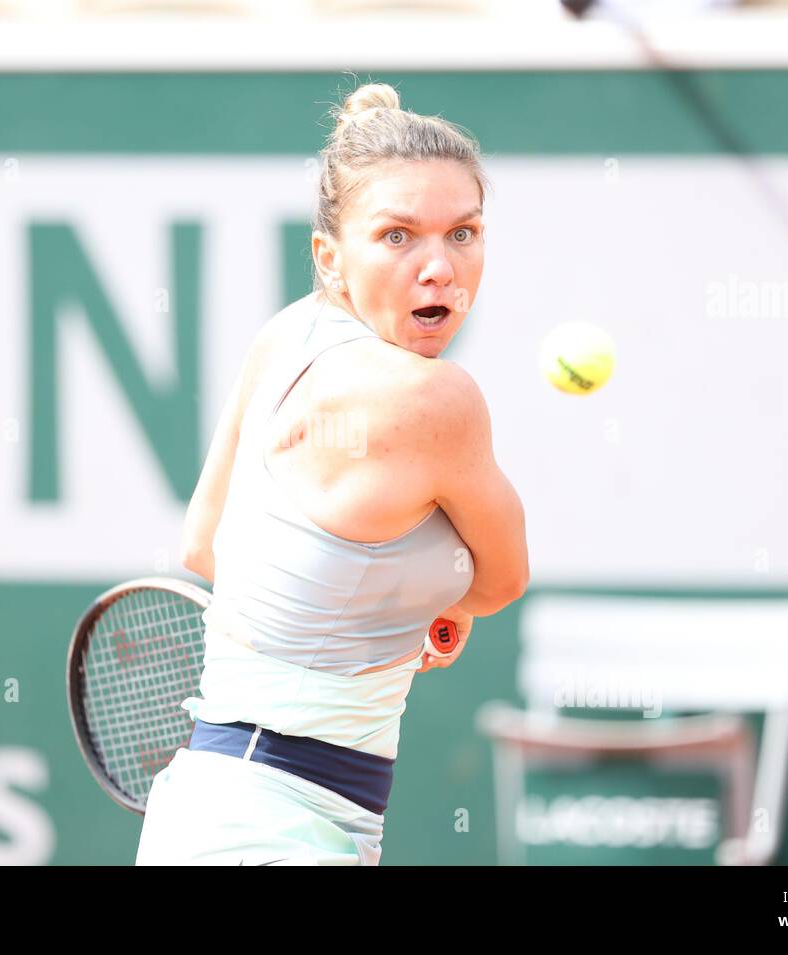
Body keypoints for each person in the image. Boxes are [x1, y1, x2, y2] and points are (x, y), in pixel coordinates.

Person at [134, 81, 529, 866]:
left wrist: (386, 598)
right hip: (273, 834)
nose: (438, 268)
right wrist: (429, 598)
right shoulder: (437, 400)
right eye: (397, 237)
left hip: (204, 816)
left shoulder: (284, 336)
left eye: (463, 233)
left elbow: (204, 546)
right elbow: (499, 579)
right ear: (330, 255)